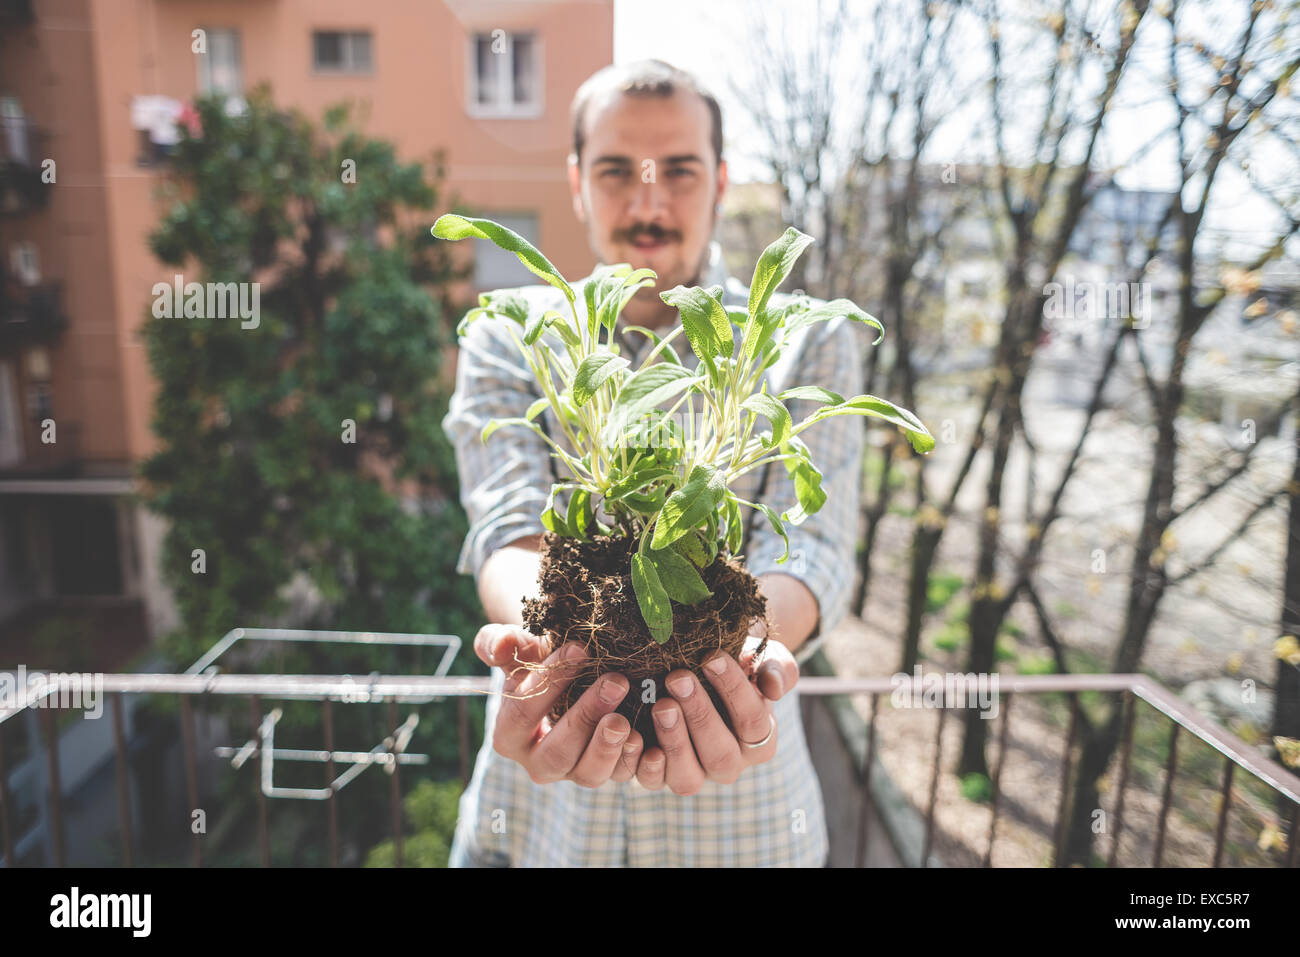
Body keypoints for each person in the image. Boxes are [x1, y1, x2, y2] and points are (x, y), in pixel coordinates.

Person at [442, 59, 866, 867]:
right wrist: (554, 647)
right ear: (575, 182)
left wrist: (740, 649)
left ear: (720, 180)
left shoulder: (804, 335)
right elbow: (508, 526)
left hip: (747, 822)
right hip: (540, 820)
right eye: (615, 172)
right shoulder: (511, 329)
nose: (647, 202)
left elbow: (812, 548)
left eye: (679, 169)